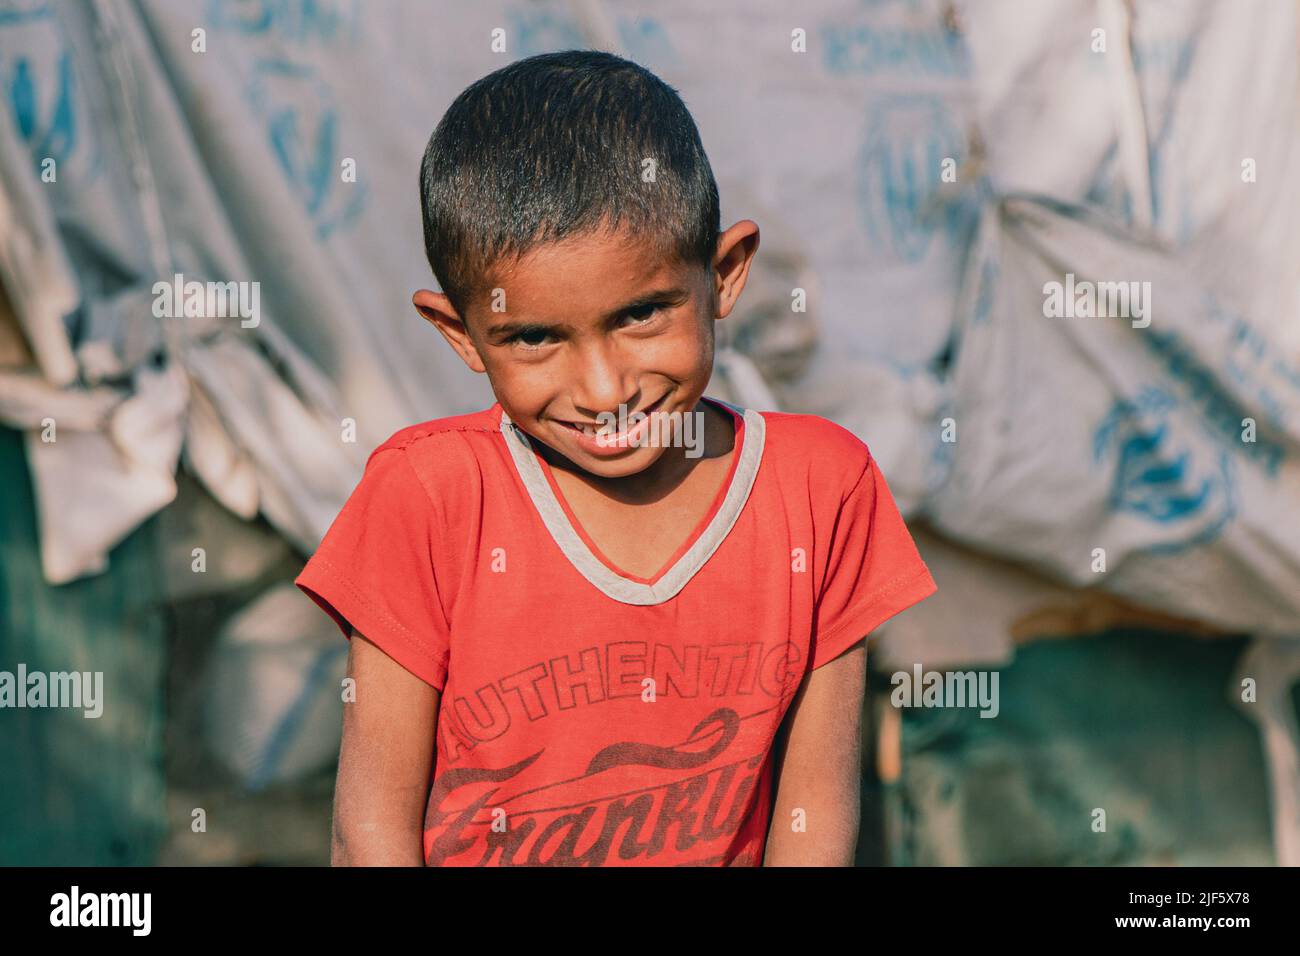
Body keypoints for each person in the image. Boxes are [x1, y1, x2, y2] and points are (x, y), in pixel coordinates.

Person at [295, 49, 936, 867]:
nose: (603, 391)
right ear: (459, 334)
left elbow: (814, 823)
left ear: (724, 275)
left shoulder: (819, 490)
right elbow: (369, 834)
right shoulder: (429, 496)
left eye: (641, 315)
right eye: (534, 338)